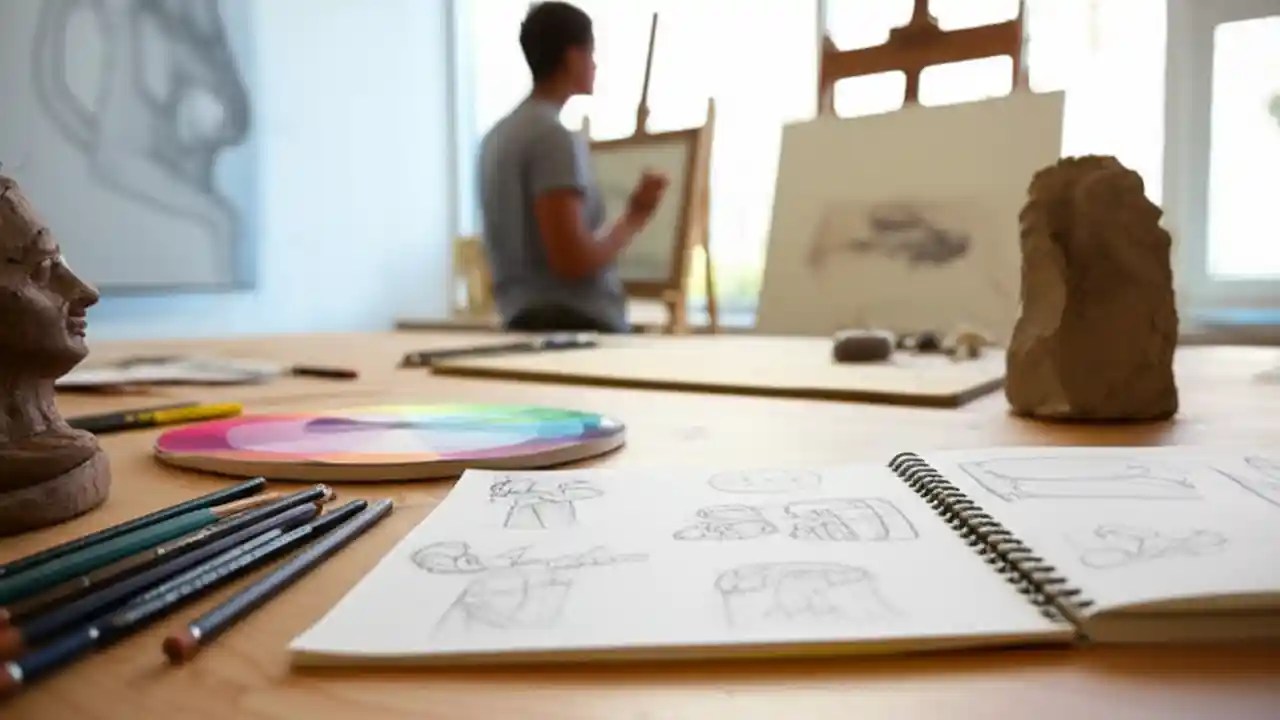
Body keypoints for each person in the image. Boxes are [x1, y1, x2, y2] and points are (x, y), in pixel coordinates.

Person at [478, 1, 668, 333]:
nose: (594, 64)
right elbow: (572, 260)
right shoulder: (551, 136)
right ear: (572, 56)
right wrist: (635, 217)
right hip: (572, 327)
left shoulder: (496, 137)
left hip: (524, 322)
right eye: (591, 54)